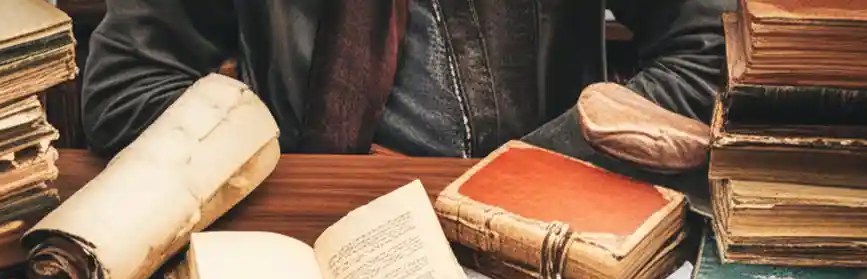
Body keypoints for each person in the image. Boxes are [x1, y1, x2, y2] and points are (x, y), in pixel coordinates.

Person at [82, 0, 732, 167]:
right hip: (314, 234)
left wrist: (541, 168)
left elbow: (716, 55)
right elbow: (122, 91)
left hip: (555, 229)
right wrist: (284, 161)